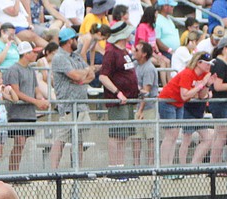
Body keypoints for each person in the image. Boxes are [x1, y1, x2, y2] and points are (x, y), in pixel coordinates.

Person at [49, 27, 96, 169]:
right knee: (61, 140)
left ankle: (77, 170)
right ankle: (52, 172)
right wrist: (85, 72)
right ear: (70, 41)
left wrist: (83, 76)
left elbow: (91, 76)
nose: (77, 41)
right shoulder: (59, 58)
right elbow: (76, 75)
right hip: (68, 107)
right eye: (75, 39)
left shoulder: (75, 56)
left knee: (79, 142)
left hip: (81, 106)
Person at [158, 52, 213, 170]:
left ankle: (169, 165)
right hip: (168, 101)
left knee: (174, 134)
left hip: (178, 103)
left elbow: (200, 96)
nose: (209, 66)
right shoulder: (188, 73)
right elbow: (184, 95)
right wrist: (201, 85)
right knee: (170, 134)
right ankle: (164, 166)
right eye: (206, 63)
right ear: (199, 63)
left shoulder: (202, 75)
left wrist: (206, 85)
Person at [98, 21, 139, 169]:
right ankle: (114, 166)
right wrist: (117, 93)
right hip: (118, 101)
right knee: (116, 134)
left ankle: (120, 166)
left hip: (128, 100)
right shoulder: (111, 52)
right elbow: (103, 76)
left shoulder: (125, 51)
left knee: (123, 135)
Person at [3, 40, 48, 171]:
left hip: (28, 113)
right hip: (16, 114)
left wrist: (42, 100)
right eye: (32, 53)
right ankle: (13, 173)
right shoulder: (14, 70)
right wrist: (36, 102)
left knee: (21, 144)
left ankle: (15, 172)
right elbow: (16, 92)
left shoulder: (30, 70)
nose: (35, 55)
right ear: (26, 54)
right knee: (19, 143)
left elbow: (36, 90)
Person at [133, 40, 158, 165]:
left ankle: (150, 166)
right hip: (138, 106)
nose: (134, 51)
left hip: (147, 108)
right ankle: (136, 166)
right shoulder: (135, 65)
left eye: (137, 50)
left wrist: (140, 110)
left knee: (150, 138)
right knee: (136, 137)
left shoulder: (148, 69)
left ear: (144, 54)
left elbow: (146, 92)